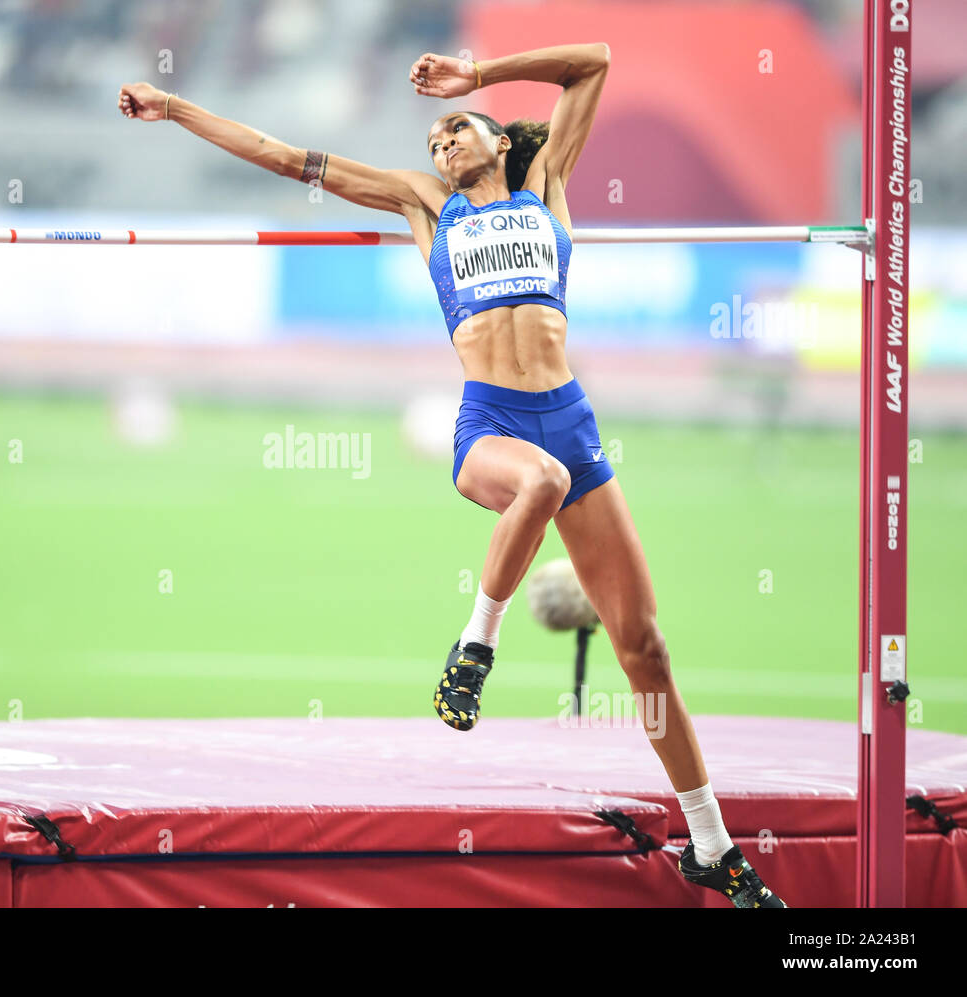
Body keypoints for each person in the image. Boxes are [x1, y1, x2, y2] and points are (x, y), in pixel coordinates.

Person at [118, 45, 786, 907]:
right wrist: (176, 107)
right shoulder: (422, 201)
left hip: (572, 424)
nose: (440, 143)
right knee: (539, 481)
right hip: (493, 430)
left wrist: (479, 74)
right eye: (433, 139)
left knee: (645, 650)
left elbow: (593, 64)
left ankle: (710, 842)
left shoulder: (546, 180)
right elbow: (285, 157)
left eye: (455, 130)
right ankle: (475, 645)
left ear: (498, 139)